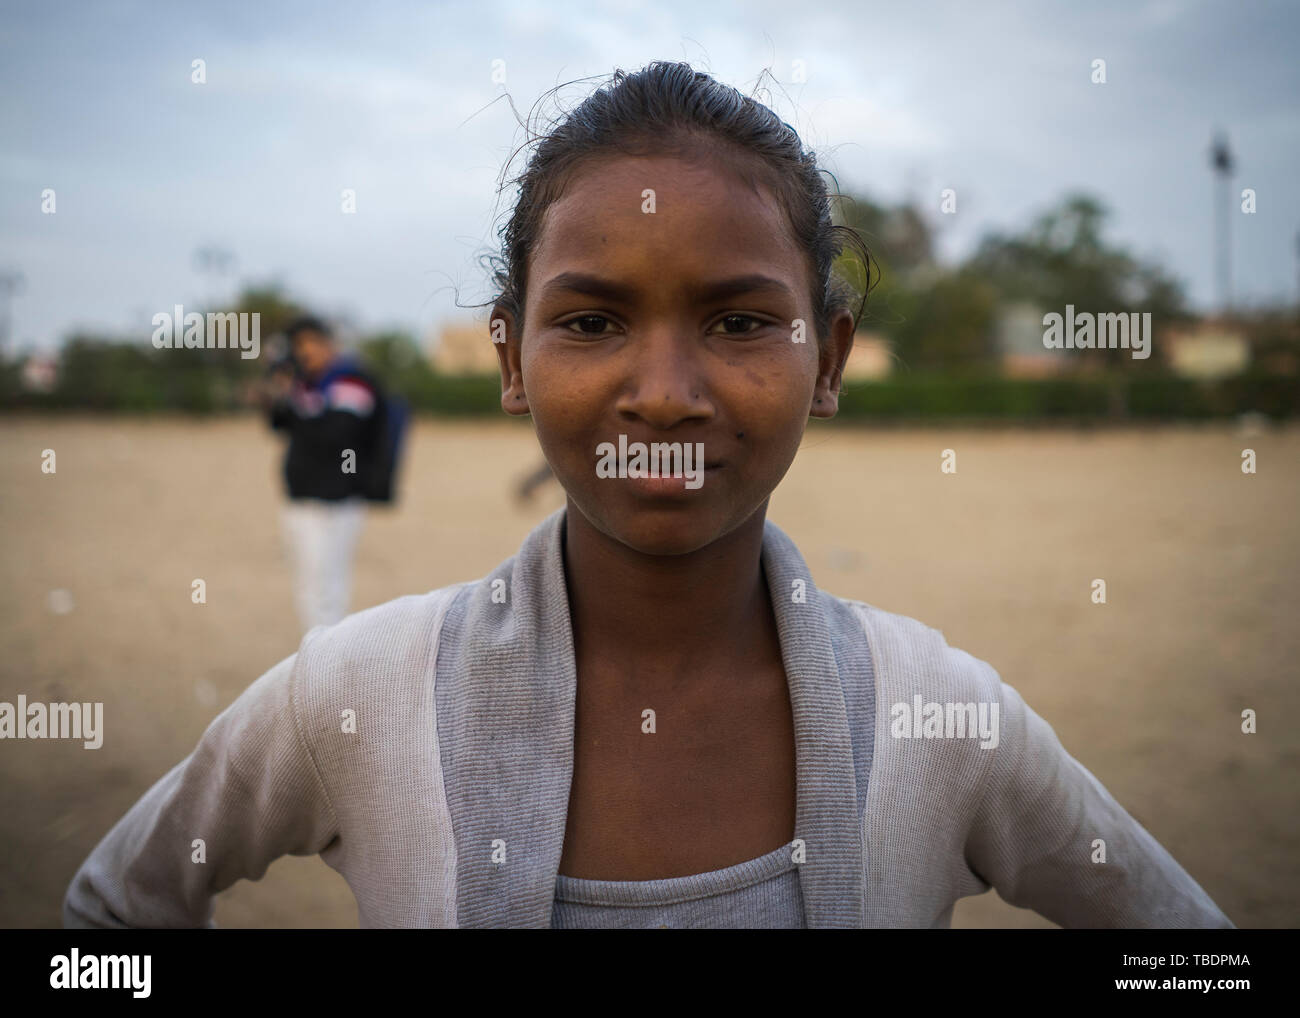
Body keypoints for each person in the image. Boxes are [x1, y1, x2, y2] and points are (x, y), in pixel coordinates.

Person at [64, 62, 1232, 929]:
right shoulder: (359, 693)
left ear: (825, 358)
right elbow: (104, 927)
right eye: (591, 321)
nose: (664, 394)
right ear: (512, 358)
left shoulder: (937, 715)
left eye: (737, 321)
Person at [265, 316, 378, 632]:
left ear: (328, 343)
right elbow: (277, 424)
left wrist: (299, 404)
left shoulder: (351, 382)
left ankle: (326, 667)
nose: (304, 353)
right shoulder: (306, 385)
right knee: (308, 587)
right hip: (299, 499)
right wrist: (283, 392)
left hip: (335, 503)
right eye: (298, 346)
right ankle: (315, 656)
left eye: (309, 343)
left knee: (327, 591)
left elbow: (337, 436)